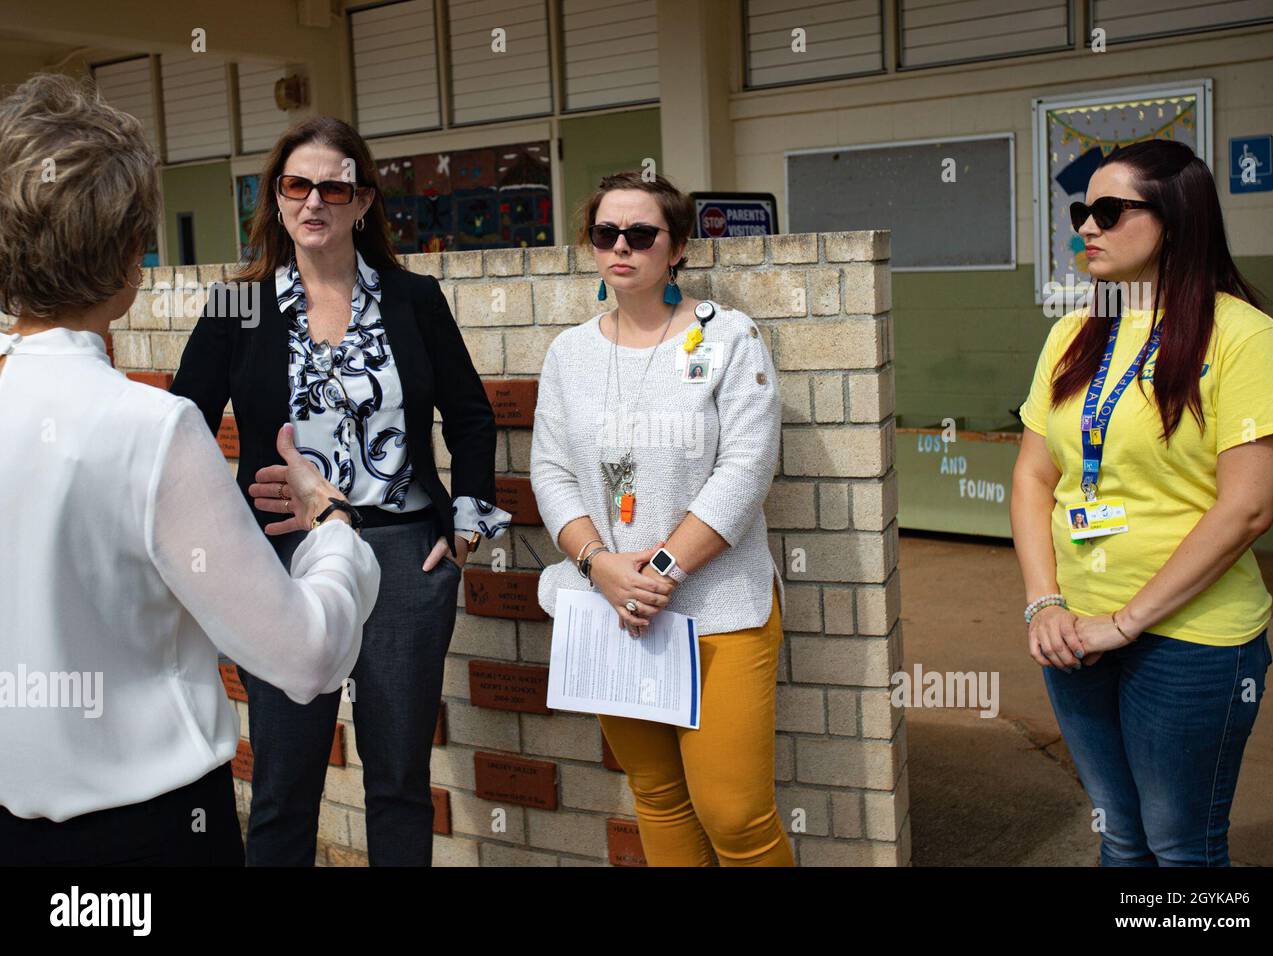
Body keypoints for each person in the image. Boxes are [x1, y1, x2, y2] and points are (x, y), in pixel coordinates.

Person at [0, 73, 379, 866]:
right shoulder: (152, 428)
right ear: (127, 262)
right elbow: (303, 654)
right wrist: (334, 528)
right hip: (148, 832)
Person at [171, 116, 509, 866]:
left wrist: (466, 526)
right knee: (284, 786)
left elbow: (471, 416)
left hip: (404, 560)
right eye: (297, 185)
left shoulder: (412, 299)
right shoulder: (239, 304)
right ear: (277, 200)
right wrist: (219, 549)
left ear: (362, 203)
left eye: (334, 186)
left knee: (397, 781)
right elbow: (181, 428)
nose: (314, 201)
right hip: (283, 562)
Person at [1011, 138, 1273, 866]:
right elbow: (1032, 479)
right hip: (1073, 633)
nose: (1086, 227)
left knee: (1180, 846)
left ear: (1176, 216)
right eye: (1082, 211)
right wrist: (1045, 602)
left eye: (1110, 210)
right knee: (1120, 834)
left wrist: (1126, 622)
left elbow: (1247, 510)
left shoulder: (1245, 336)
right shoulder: (1071, 335)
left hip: (1190, 642)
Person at [529, 170, 793, 866]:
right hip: (617, 609)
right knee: (658, 797)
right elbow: (550, 472)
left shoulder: (728, 338)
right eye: (606, 233)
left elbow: (746, 469)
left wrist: (662, 571)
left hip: (718, 609)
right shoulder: (569, 354)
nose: (622, 246)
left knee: (735, 815)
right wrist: (599, 565)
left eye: (641, 234)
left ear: (675, 248)